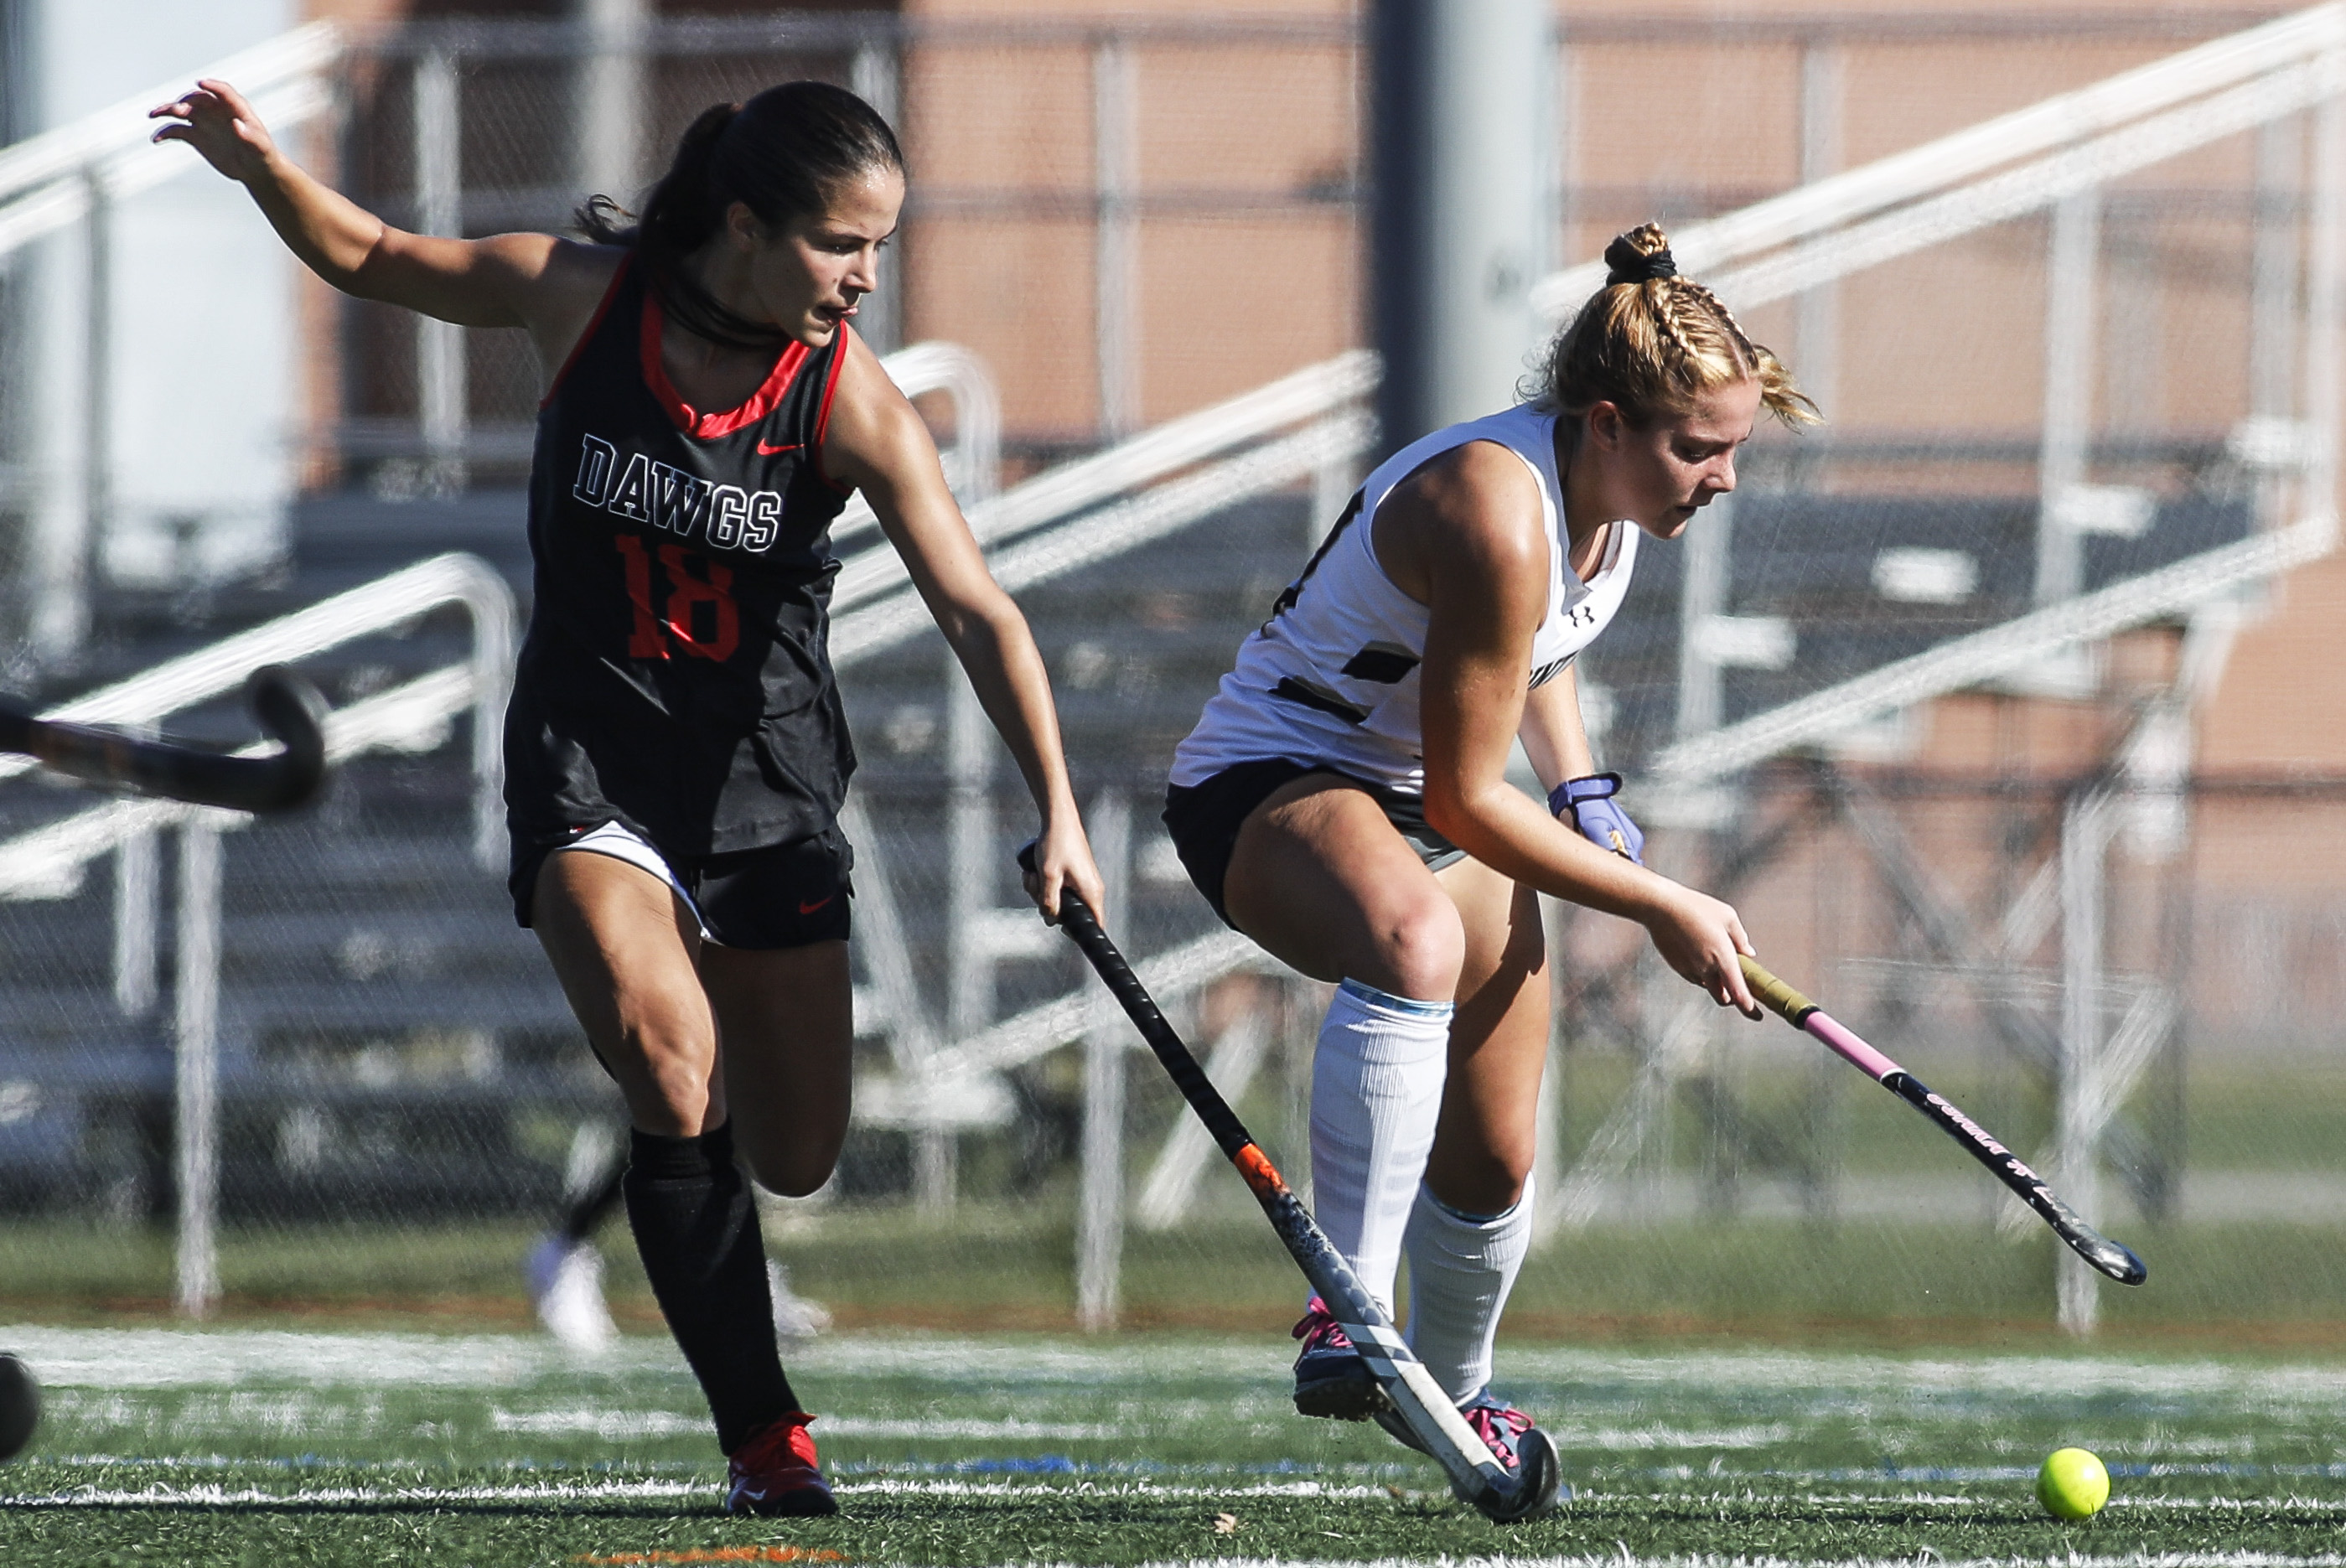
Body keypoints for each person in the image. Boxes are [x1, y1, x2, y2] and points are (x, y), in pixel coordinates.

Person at [153, 76, 1104, 1518]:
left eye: (880, 248)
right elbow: (370, 255)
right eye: (843, 245)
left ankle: (694, 1226)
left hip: (769, 783)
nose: (865, 277)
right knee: (672, 1067)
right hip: (592, 765)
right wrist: (260, 170)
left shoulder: (846, 395)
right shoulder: (576, 299)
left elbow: (979, 609)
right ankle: (765, 1438)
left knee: (795, 1153)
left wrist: (1062, 806)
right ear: (746, 223)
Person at [1162, 224, 1815, 1503]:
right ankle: (1348, 1313)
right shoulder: (1494, 510)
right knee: (1418, 938)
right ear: (1609, 421)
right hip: (1274, 783)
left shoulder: (1610, 509)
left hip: (1412, 800)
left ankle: (1449, 1394)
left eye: (1735, 447)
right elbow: (1466, 800)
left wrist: (1580, 787)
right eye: (1702, 448)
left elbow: (1540, 657)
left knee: (1500, 1152)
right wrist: (1666, 903)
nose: (1725, 477)